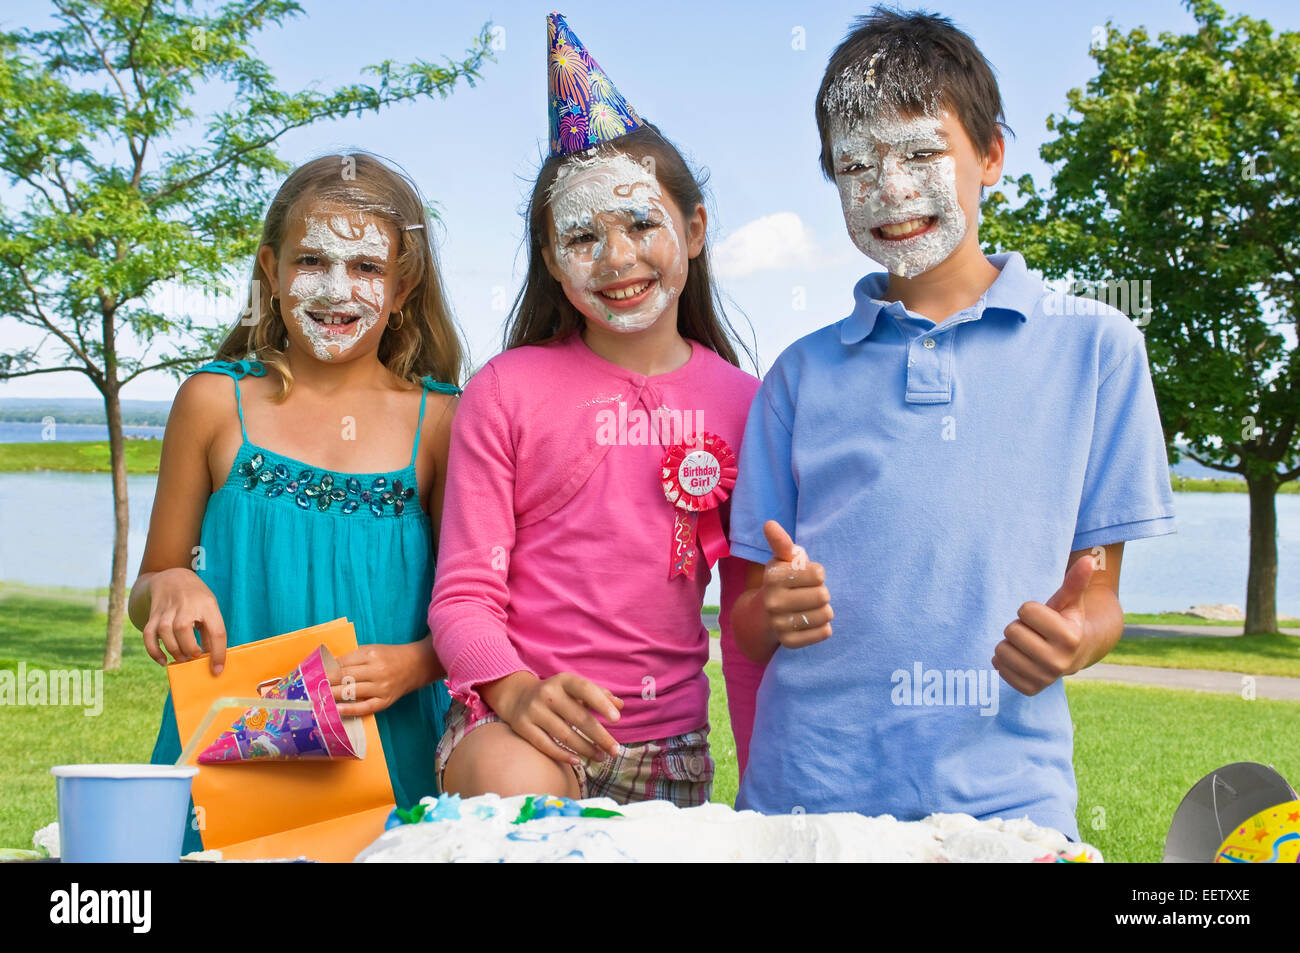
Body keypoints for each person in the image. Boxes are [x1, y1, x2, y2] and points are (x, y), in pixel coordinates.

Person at [728, 8, 1175, 839]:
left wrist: (1076, 635)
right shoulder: (795, 376)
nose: (890, 189)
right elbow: (749, 617)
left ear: (992, 155)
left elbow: (1102, 592)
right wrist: (774, 611)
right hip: (806, 798)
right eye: (856, 166)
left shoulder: (1097, 350)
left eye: (922, 153)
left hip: (1010, 802)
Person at [429, 13, 761, 808]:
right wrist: (512, 690)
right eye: (582, 236)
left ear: (695, 227)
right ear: (550, 256)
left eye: (643, 223)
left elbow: (749, 627)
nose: (616, 259)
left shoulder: (747, 404)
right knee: (526, 808)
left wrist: (763, 786)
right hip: (515, 729)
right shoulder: (504, 390)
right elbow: (464, 595)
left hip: (670, 749)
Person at [129, 153, 465, 853]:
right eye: (312, 259)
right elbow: (153, 578)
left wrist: (416, 663)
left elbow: (478, 609)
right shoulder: (213, 403)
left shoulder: (442, 422)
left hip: (392, 762)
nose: (337, 287)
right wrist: (171, 586)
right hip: (228, 765)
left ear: (403, 288)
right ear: (270, 270)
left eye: (368, 268)